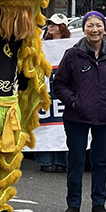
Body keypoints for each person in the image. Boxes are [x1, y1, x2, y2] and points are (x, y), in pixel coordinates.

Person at [54, 11, 106, 212]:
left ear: (104, 28)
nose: (95, 30)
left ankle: (99, 204)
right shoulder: (73, 54)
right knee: (76, 161)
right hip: (77, 116)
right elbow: (59, 84)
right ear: (83, 29)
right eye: (90, 26)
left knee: (101, 161)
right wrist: (74, 101)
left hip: (105, 116)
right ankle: (73, 203)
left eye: (98, 26)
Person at [35, 13, 73, 172]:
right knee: (45, 122)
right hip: (45, 88)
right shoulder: (42, 45)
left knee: (61, 124)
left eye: (55, 24)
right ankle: (45, 160)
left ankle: (61, 160)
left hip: (63, 90)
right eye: (49, 23)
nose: (51, 26)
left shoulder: (71, 46)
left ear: (62, 27)